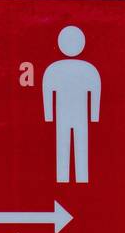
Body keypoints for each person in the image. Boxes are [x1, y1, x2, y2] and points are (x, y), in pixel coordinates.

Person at [42, 25, 101, 183]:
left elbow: (47, 94)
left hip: (67, 116)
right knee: (73, 144)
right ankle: (74, 178)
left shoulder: (53, 70)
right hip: (75, 116)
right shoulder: (88, 70)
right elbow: (95, 93)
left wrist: (49, 116)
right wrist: (94, 116)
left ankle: (70, 178)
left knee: (67, 143)